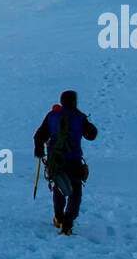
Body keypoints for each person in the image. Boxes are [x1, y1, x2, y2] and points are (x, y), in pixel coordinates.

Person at [33, 90, 98, 234]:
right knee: (75, 192)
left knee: (59, 188)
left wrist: (39, 150)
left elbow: (39, 136)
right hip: (74, 161)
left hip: (56, 161)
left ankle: (58, 218)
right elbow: (92, 135)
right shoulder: (79, 118)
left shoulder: (52, 116)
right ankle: (67, 224)